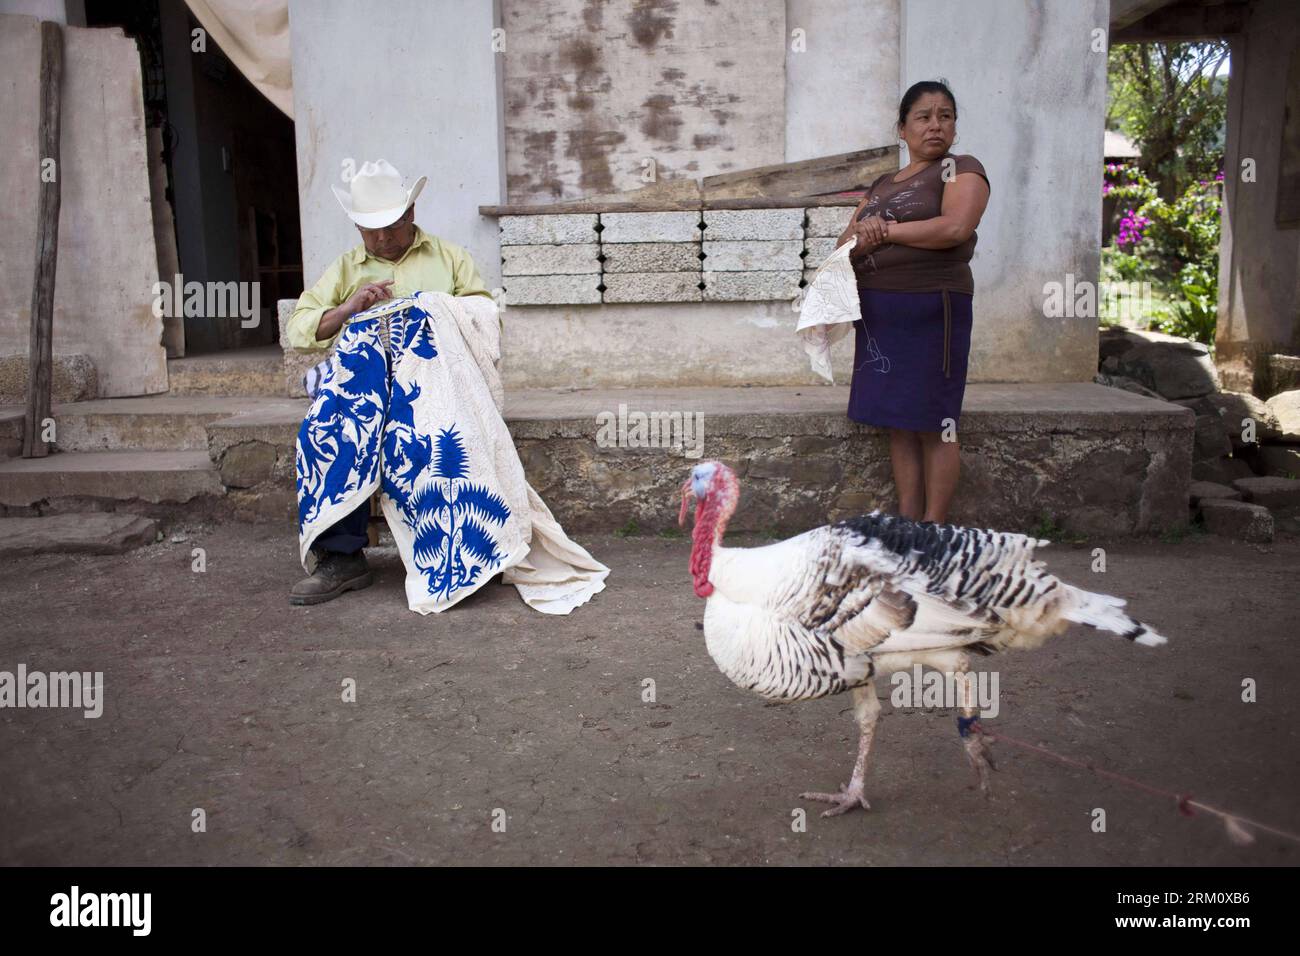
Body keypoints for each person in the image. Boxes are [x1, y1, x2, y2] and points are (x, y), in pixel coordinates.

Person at [286, 159, 492, 605]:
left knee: (438, 432)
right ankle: (342, 559)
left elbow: (484, 316)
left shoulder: (450, 257)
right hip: (363, 384)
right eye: (369, 229)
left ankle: (461, 552)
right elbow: (301, 329)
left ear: (411, 213)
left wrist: (429, 308)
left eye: (390, 227)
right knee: (326, 433)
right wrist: (350, 309)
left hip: (435, 380)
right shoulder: (345, 268)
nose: (381, 239)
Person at [838, 80, 990, 523]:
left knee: (935, 422)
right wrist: (864, 236)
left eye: (945, 116)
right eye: (923, 117)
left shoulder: (961, 168)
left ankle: (934, 529)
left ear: (955, 127)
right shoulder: (884, 183)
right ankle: (907, 525)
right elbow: (846, 243)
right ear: (902, 129)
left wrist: (884, 230)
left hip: (932, 311)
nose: (935, 125)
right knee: (899, 422)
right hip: (882, 316)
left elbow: (954, 228)